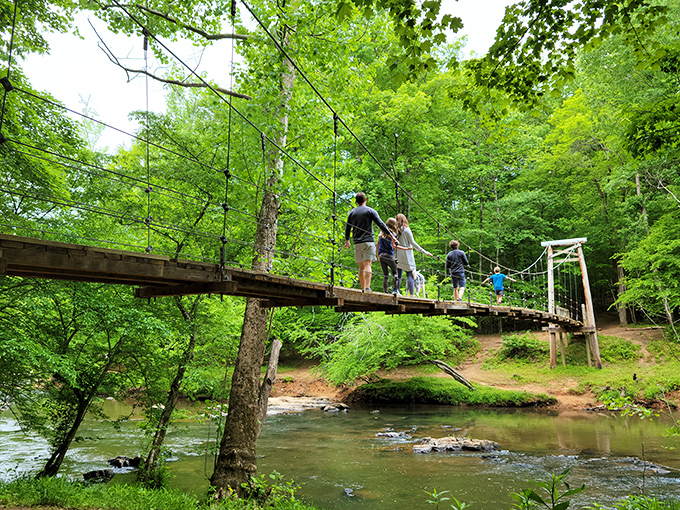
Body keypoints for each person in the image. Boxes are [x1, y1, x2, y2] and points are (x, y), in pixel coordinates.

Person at [343, 192, 397, 292]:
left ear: (356, 201)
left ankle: (363, 288)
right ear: (365, 199)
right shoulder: (370, 211)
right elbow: (381, 224)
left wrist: (347, 241)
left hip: (357, 242)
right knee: (368, 264)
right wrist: (391, 236)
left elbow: (348, 228)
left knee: (361, 266)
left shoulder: (352, 213)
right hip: (368, 241)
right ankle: (367, 287)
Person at [395, 213, 433, 297]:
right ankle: (412, 294)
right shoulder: (407, 230)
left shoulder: (395, 230)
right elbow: (413, 243)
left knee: (398, 275)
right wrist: (424, 251)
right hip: (407, 255)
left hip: (397, 255)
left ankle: (396, 291)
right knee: (410, 274)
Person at [376, 217, 400, 294]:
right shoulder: (392, 235)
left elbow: (377, 244)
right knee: (395, 272)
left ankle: (385, 291)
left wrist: (378, 255)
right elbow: (393, 245)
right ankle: (395, 290)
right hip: (389, 255)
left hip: (382, 255)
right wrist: (405, 248)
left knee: (385, 274)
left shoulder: (381, 234)